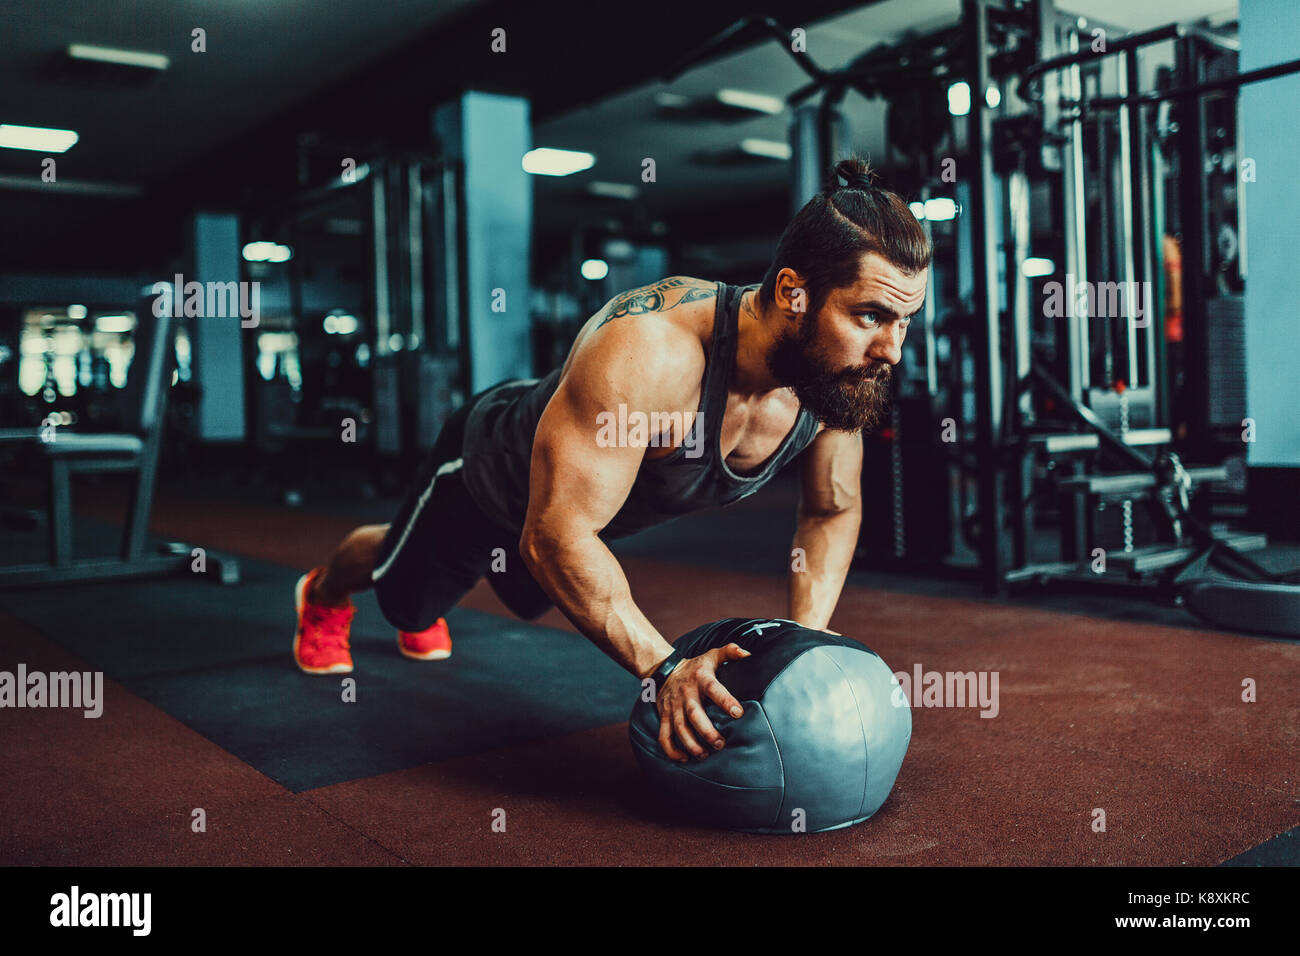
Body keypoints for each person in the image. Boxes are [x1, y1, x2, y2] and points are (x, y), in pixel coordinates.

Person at [292, 158, 930, 763]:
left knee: (533, 583)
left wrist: (804, 644)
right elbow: (554, 534)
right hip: (491, 475)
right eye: (870, 315)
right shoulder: (654, 350)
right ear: (793, 291)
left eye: (904, 321)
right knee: (406, 597)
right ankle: (322, 594)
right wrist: (667, 668)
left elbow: (832, 507)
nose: (891, 351)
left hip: (583, 517)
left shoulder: (831, 376)